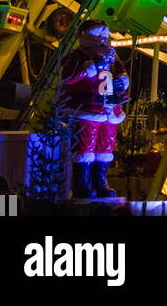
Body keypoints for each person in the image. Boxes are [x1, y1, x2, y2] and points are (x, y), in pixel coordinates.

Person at [60, 19, 130, 200]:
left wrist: (123, 79)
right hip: (87, 107)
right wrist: (86, 71)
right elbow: (67, 78)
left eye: (104, 35)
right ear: (85, 35)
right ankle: (82, 184)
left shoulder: (112, 54)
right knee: (84, 148)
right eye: (97, 34)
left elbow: (120, 70)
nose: (102, 38)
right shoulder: (78, 55)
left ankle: (100, 182)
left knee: (105, 148)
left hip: (110, 106)